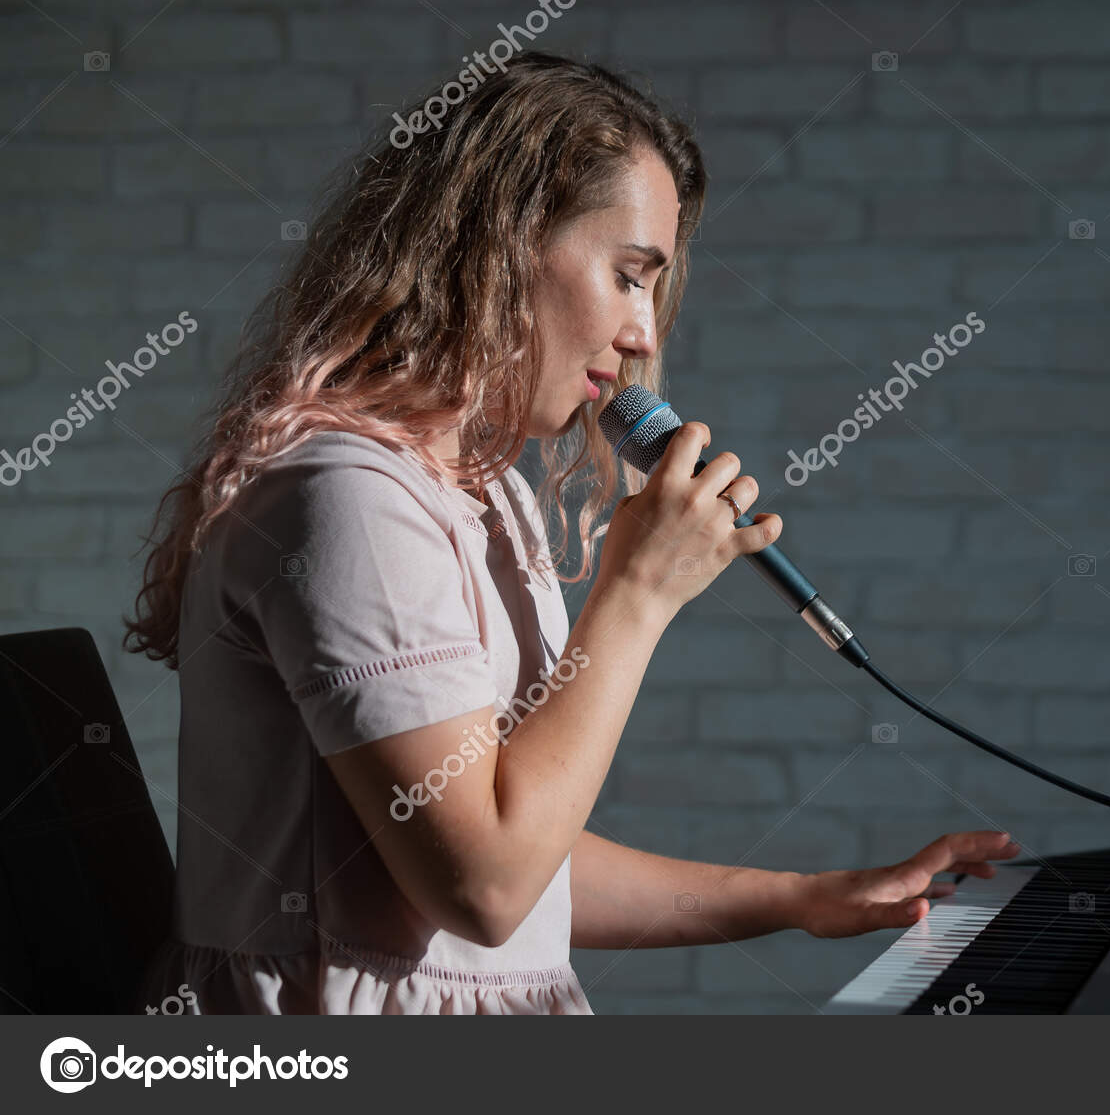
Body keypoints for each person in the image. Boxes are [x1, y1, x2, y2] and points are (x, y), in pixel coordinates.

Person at [125, 50, 1019, 1015]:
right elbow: (485, 886)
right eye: (629, 277)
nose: (644, 334)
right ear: (495, 245)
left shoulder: (479, 495)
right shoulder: (347, 499)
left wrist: (800, 899)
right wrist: (636, 598)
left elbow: (521, 854)